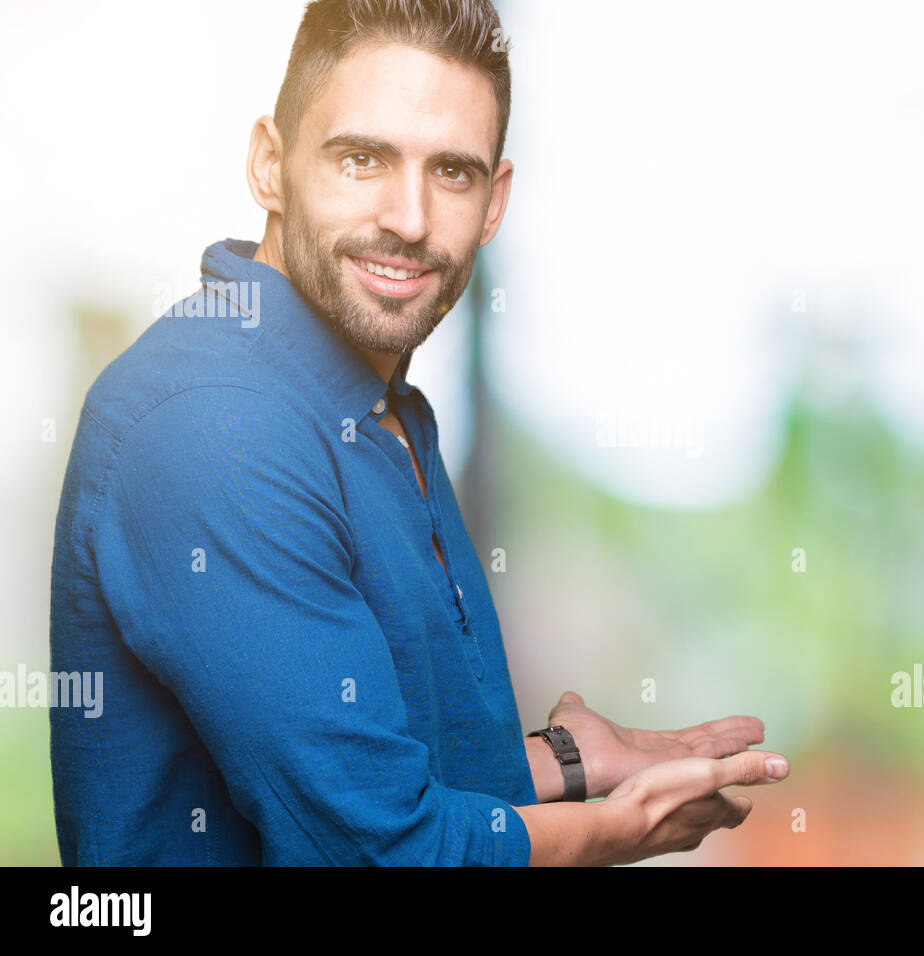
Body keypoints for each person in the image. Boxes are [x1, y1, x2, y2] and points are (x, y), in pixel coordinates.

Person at [48, 0, 789, 867]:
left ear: (495, 199)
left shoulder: (383, 411)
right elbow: (377, 851)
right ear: (269, 166)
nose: (408, 217)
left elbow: (372, 766)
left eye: (452, 173)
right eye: (362, 158)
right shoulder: (212, 426)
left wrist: (562, 764)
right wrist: (609, 833)